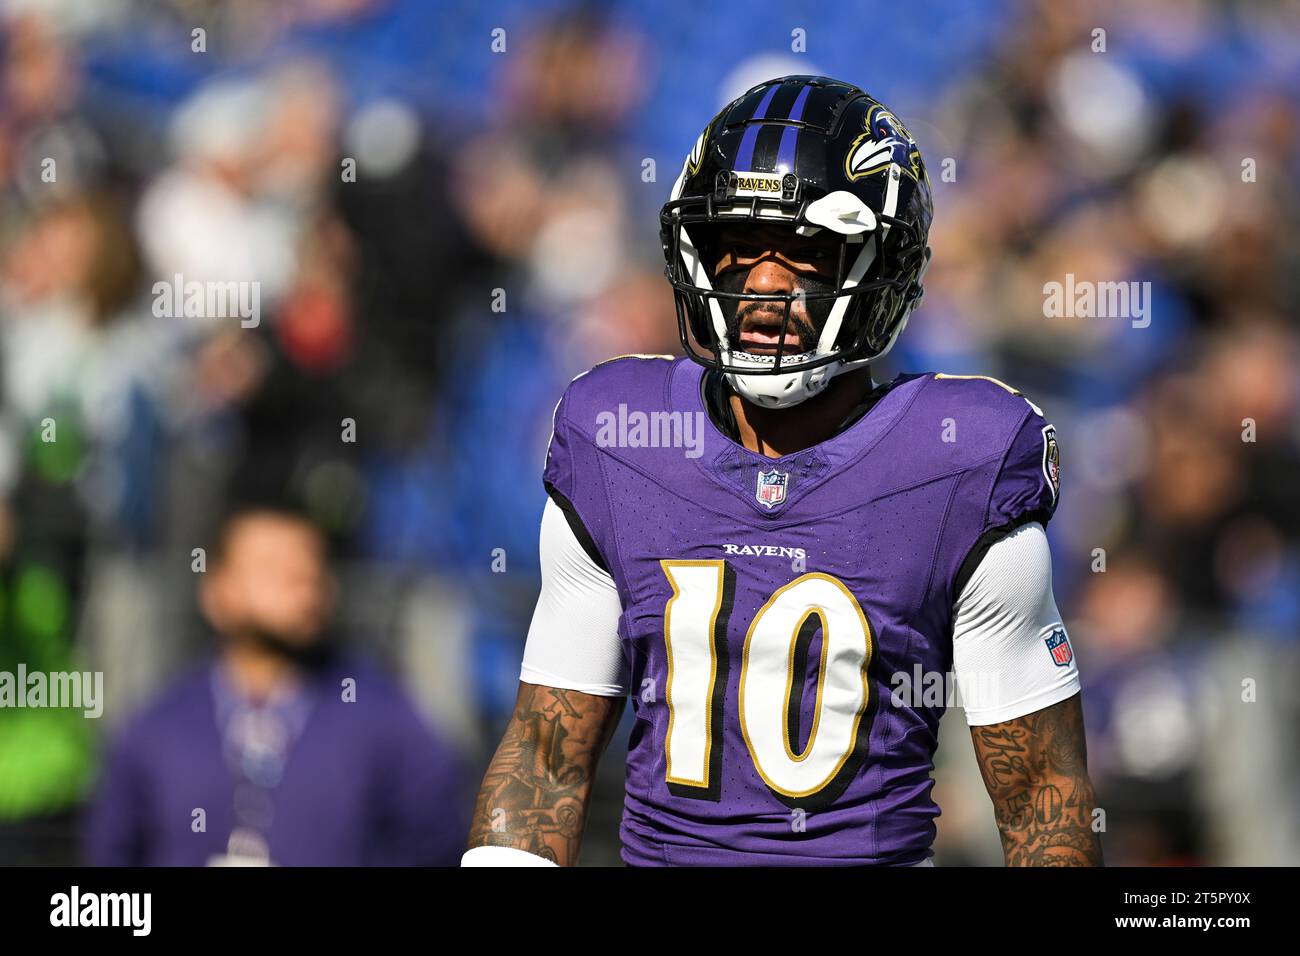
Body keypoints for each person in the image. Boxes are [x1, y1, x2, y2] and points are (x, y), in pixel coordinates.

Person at [463, 76, 1101, 867]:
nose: (764, 283)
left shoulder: (961, 459)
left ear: (882, 264)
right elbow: (546, 761)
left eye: (804, 249)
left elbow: (1043, 799)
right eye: (738, 243)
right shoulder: (618, 441)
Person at [89, 504, 468, 866]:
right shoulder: (157, 728)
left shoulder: (387, 720)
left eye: (311, 564)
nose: (301, 578)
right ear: (217, 591)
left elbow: (438, 845)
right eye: (272, 566)